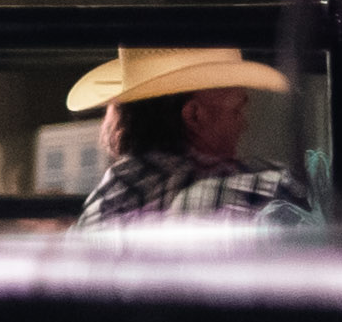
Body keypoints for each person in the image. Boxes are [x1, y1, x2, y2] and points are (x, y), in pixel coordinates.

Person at [69, 46, 318, 229]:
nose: (244, 124)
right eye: (237, 110)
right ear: (194, 115)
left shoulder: (110, 197)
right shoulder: (249, 189)